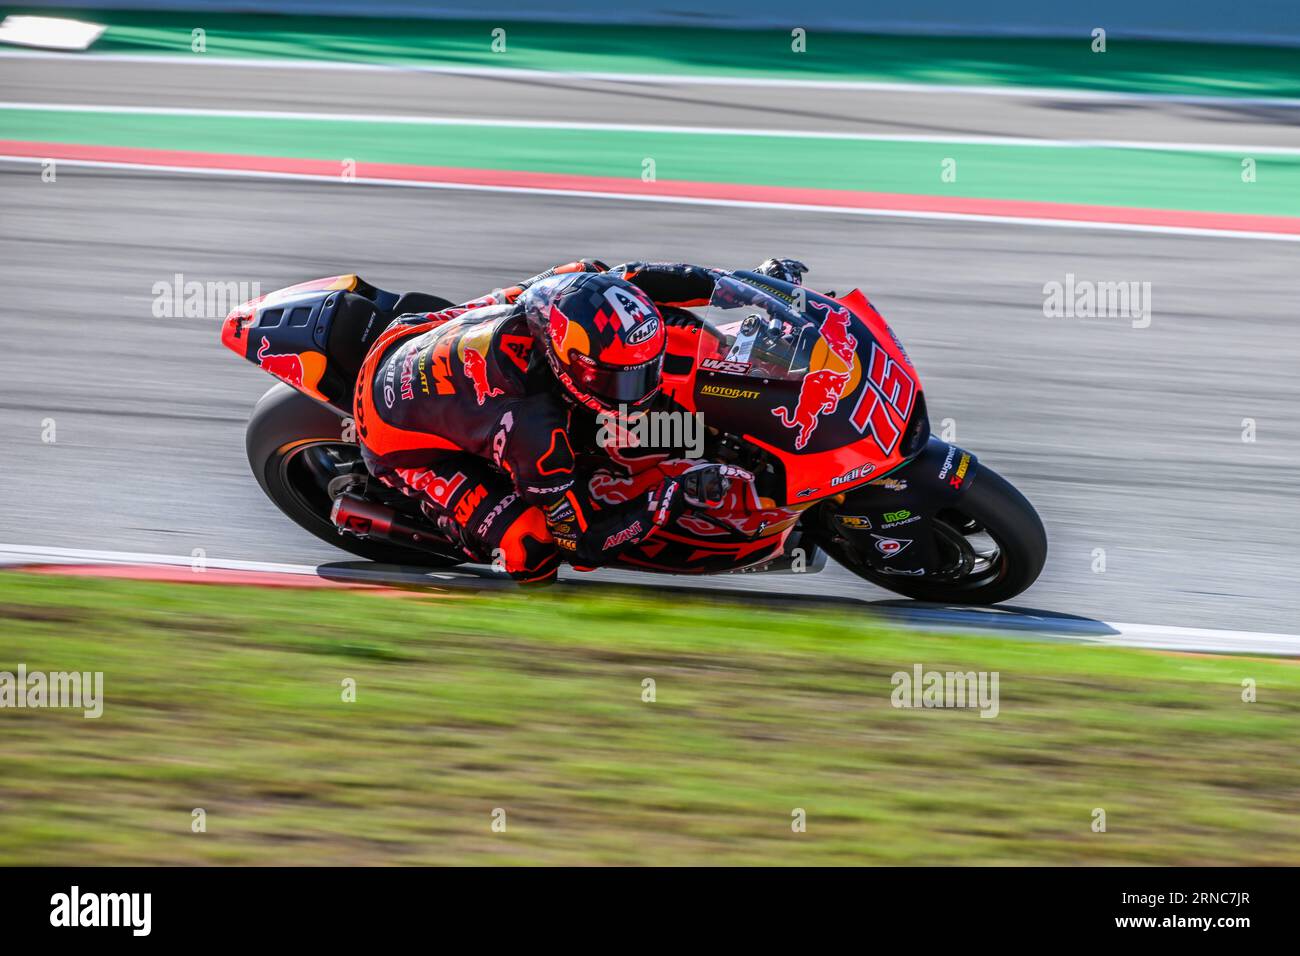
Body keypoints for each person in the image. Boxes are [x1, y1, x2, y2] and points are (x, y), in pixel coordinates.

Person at [350, 257, 806, 582]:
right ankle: (450, 527)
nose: (640, 389)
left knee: (590, 270)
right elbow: (580, 542)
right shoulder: (536, 434)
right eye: (621, 379)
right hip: (394, 433)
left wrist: (758, 292)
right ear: (569, 363)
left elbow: (647, 278)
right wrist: (668, 497)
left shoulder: (581, 286)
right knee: (534, 551)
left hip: (413, 333)